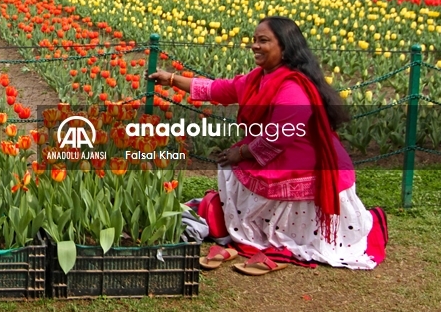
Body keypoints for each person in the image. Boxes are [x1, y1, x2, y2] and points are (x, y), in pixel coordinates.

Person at [149, 17, 386, 274]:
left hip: (303, 161)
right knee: (235, 168)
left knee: (239, 167)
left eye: (263, 41)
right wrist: (171, 79)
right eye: (254, 40)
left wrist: (240, 153)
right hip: (278, 149)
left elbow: (280, 137)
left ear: (285, 47)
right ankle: (258, 231)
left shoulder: (293, 87)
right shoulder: (259, 78)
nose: (255, 46)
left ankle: (277, 237)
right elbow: (220, 89)